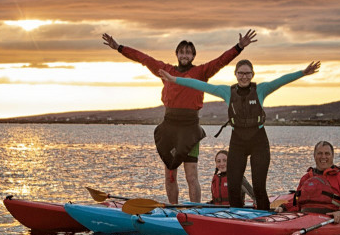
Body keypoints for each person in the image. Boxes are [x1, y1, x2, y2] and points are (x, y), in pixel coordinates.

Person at [102, 29, 257, 203]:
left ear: (193, 56)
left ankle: (196, 212)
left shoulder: (201, 72)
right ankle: (173, 208)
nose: (185, 55)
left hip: (190, 129)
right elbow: (143, 58)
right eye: (182, 52)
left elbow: (221, 61)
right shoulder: (166, 71)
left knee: (191, 176)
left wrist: (239, 47)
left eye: (188, 52)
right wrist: (119, 48)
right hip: (169, 128)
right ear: (176, 54)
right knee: (170, 176)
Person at [159, 58, 320, 210]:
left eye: (248, 73)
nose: (244, 76)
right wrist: (174, 80)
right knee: (234, 185)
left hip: (259, 141)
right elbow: (200, 85)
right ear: (235, 74)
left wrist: (303, 73)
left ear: (252, 74)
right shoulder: (227, 92)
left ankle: (263, 218)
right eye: (241, 73)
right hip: (238, 142)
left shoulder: (261, 89)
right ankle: (237, 217)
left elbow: (280, 81)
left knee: (258, 186)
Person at [275, 141, 340, 224]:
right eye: (319, 153)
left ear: (332, 156)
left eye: (327, 154)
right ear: (314, 156)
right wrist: (284, 207)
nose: (323, 157)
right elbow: (297, 203)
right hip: (305, 218)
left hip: (329, 219)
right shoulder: (306, 178)